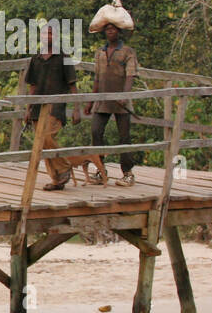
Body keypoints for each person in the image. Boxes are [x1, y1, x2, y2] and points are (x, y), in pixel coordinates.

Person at [23, 23, 81, 191]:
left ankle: (64, 167)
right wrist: (28, 108)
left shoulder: (64, 57)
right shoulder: (36, 58)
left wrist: (76, 108)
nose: (47, 37)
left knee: (47, 137)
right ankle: (57, 180)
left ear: (56, 37)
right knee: (41, 143)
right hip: (37, 107)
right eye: (44, 34)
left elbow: (72, 85)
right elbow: (32, 86)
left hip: (55, 107)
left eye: (50, 34)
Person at [90, 22, 140, 186]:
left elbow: (130, 75)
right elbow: (97, 78)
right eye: (107, 29)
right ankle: (100, 170)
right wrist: (91, 101)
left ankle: (127, 173)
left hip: (121, 102)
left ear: (118, 32)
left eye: (113, 29)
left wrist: (124, 95)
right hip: (103, 100)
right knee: (96, 131)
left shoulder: (127, 52)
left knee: (124, 136)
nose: (110, 32)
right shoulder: (100, 53)